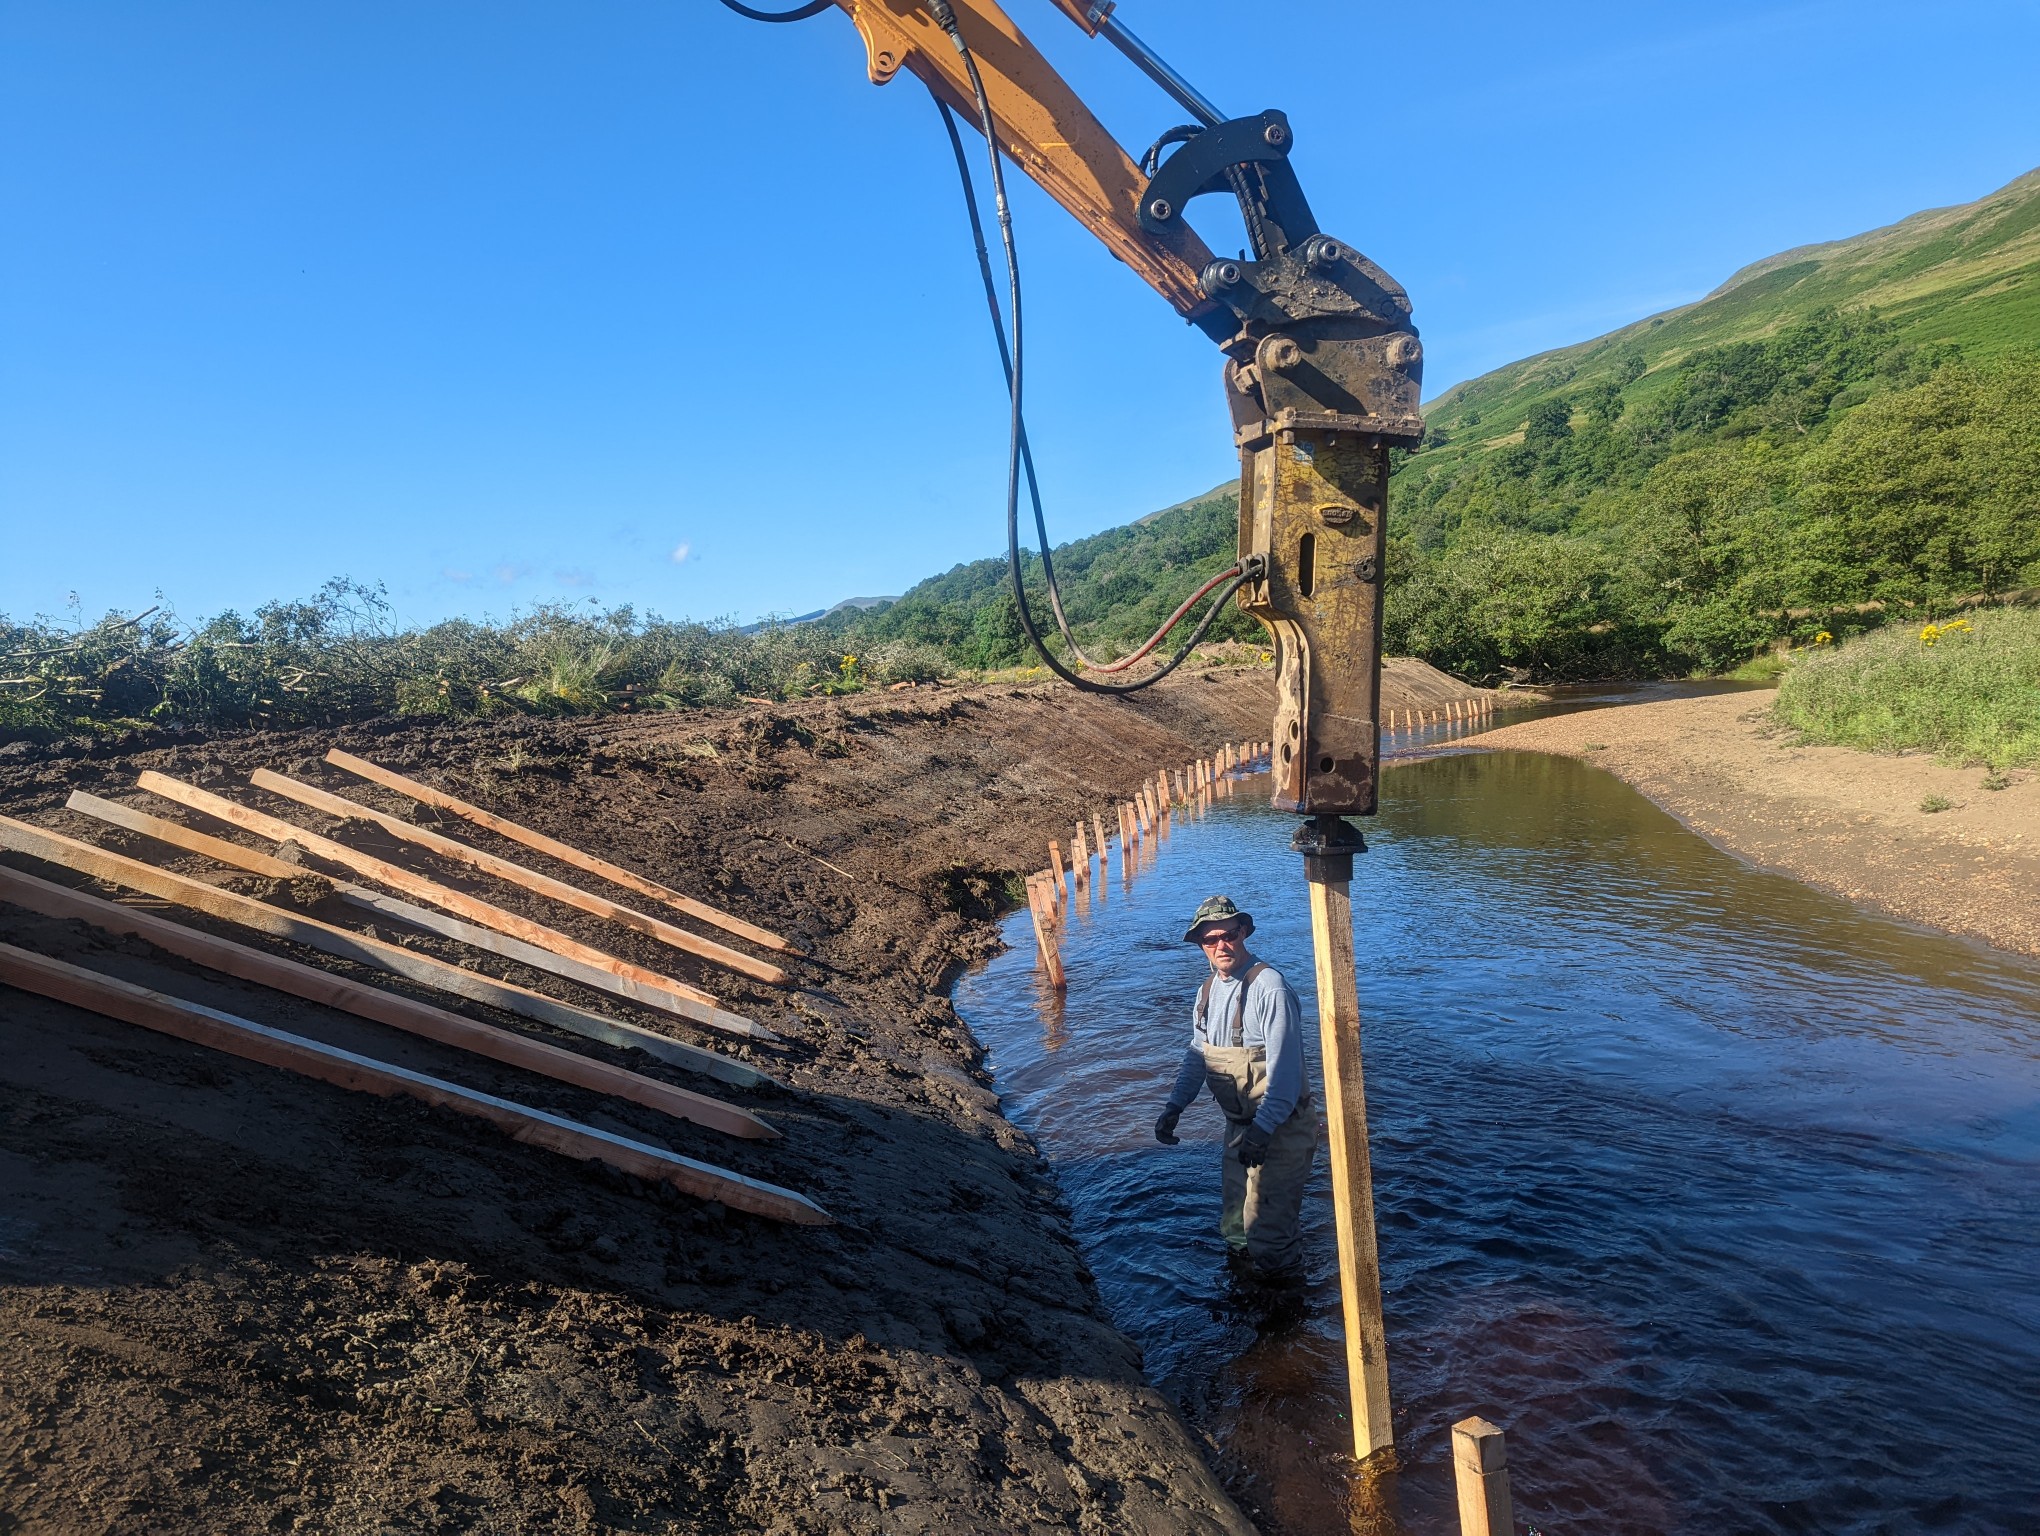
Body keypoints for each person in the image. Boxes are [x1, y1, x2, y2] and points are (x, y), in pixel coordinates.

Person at [1154, 894, 1318, 1281]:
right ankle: (1244, 1295)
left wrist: (1261, 1133)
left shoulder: (1270, 988)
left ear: (1243, 932)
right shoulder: (1207, 991)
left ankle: (1287, 1316)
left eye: (1229, 935)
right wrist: (1174, 1107)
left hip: (1280, 1128)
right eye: (1210, 940)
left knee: (1271, 1237)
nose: (1221, 946)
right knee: (1236, 1229)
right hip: (1240, 1129)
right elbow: (1198, 1054)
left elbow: (1285, 1075)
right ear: (1200, 945)